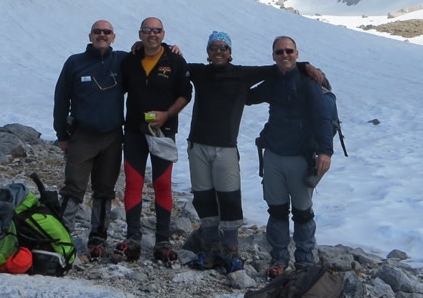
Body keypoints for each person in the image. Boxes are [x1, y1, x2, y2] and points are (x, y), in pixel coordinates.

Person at [186, 31, 322, 273]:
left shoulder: (241, 74)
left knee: (229, 198)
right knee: (203, 197)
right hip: (198, 145)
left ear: (230, 52)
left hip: (228, 147)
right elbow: (172, 67)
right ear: (208, 51)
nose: (218, 51)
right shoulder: (198, 72)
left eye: (223, 47)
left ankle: (232, 251)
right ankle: (210, 249)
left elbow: (278, 68)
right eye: (214, 47)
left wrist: (304, 66)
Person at [246, 36, 333, 279]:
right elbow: (247, 97)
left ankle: (304, 262)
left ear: (297, 53)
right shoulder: (274, 81)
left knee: (303, 212)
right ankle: (279, 259)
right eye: (279, 52)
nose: (285, 55)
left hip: (300, 157)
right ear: (273, 56)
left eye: (289, 51)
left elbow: (322, 119)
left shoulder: (308, 83)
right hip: (274, 155)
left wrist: (325, 152)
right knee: (277, 210)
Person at [114, 17, 193, 263]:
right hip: (135, 131)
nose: (152, 34)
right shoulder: (130, 60)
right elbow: (118, 88)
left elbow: (186, 93)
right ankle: (133, 238)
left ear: (163, 34)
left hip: (164, 132)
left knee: (162, 184)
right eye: (147, 30)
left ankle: (163, 241)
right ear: (140, 34)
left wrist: (167, 114)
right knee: (134, 183)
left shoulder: (175, 61)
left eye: (157, 30)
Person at [52, 20, 127, 260]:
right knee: (73, 187)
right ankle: (60, 236)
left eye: (106, 32)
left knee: (105, 190)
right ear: (90, 36)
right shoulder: (75, 63)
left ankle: (98, 239)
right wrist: (61, 135)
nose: (102, 35)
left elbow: (148, 55)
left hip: (112, 136)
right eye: (97, 32)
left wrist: (170, 49)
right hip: (82, 136)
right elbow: (61, 99)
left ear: (113, 37)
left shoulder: (122, 61)